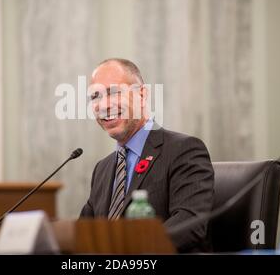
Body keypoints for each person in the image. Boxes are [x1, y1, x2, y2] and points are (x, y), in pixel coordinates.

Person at [80, 58, 214, 252]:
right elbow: (85, 233)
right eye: (95, 97)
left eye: (113, 92)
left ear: (142, 95)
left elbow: (190, 224)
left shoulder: (184, 150)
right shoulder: (103, 169)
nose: (104, 105)